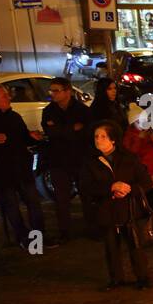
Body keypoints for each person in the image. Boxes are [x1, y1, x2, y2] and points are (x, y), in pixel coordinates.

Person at [79, 121, 152, 290]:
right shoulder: (91, 162)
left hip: (129, 209)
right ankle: (116, 278)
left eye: (103, 136)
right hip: (106, 210)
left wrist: (128, 189)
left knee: (135, 245)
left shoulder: (129, 158)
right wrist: (110, 188)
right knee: (111, 247)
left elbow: (146, 182)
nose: (98, 140)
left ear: (112, 140)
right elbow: (85, 187)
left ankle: (142, 277)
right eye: (96, 137)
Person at [0, 83, 45, 247]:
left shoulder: (14, 117)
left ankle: (38, 238)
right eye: (4, 95)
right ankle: (23, 236)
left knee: (33, 202)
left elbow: (22, 137)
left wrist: (32, 136)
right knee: (11, 205)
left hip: (21, 167)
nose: (9, 98)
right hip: (2, 170)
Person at [39, 76, 94, 243]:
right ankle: (65, 232)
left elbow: (86, 133)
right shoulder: (48, 111)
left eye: (56, 91)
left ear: (67, 92)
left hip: (79, 158)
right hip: (58, 160)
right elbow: (50, 132)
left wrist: (60, 130)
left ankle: (92, 228)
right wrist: (71, 129)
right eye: (51, 91)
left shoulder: (82, 110)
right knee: (61, 198)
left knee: (87, 195)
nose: (52, 94)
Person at [121, 117, 153, 211]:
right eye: (138, 121)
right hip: (144, 173)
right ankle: (149, 219)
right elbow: (131, 154)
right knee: (147, 199)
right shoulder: (129, 136)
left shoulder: (149, 134)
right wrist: (139, 139)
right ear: (132, 123)